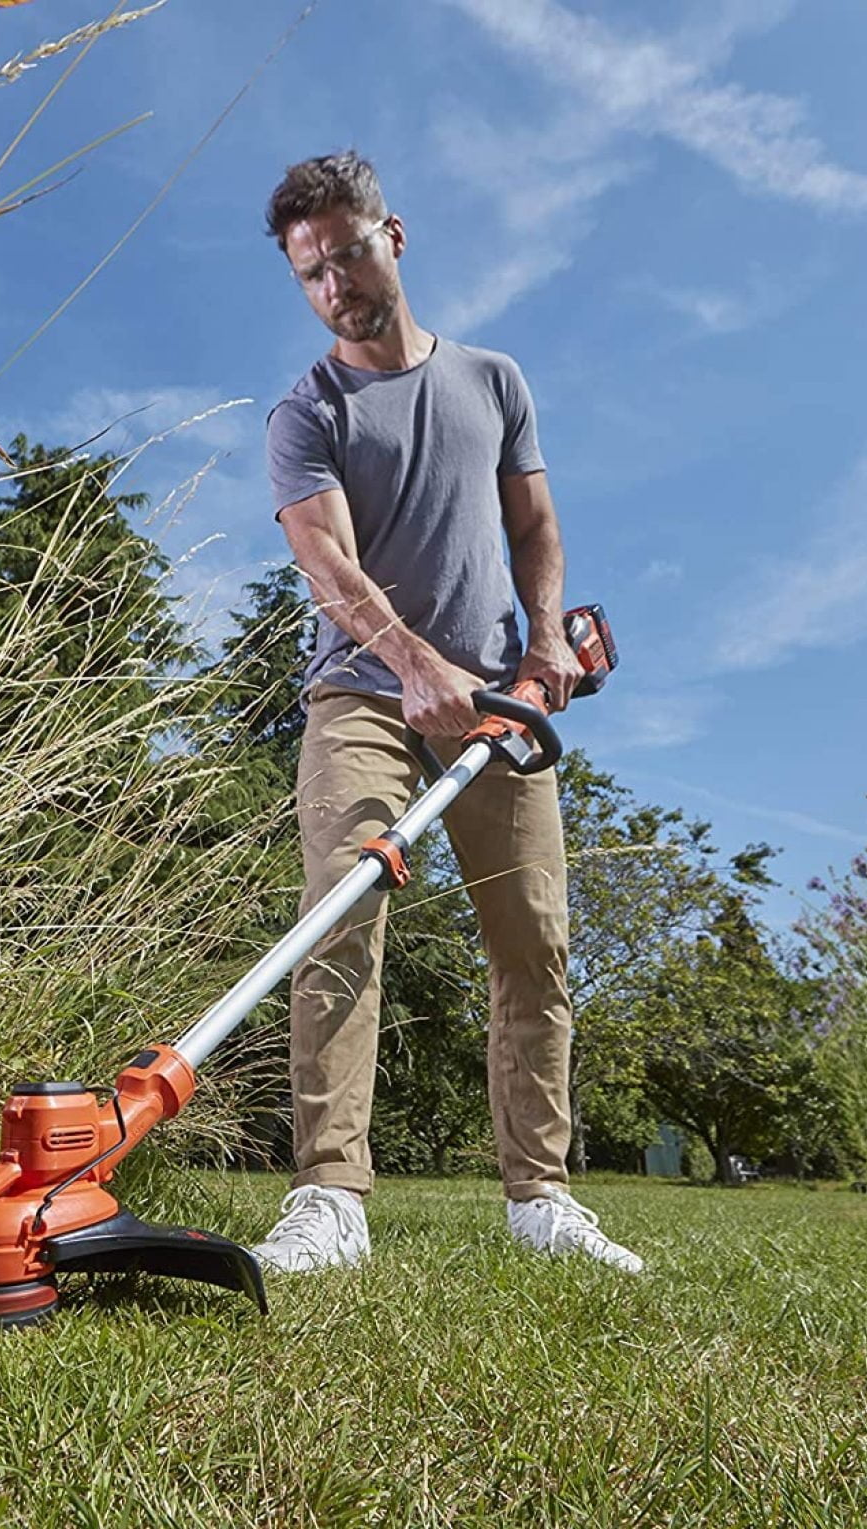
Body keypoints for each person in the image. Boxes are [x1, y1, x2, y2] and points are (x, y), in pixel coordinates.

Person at [249, 151, 643, 1276]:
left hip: (495, 705)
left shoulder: (492, 379)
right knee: (338, 910)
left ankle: (542, 1200)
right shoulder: (304, 410)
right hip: (363, 694)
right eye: (310, 271)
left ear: (394, 236)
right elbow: (324, 561)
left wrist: (543, 638)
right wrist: (410, 658)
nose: (335, 283)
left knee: (535, 942)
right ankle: (329, 1195)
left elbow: (534, 530)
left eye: (348, 252)